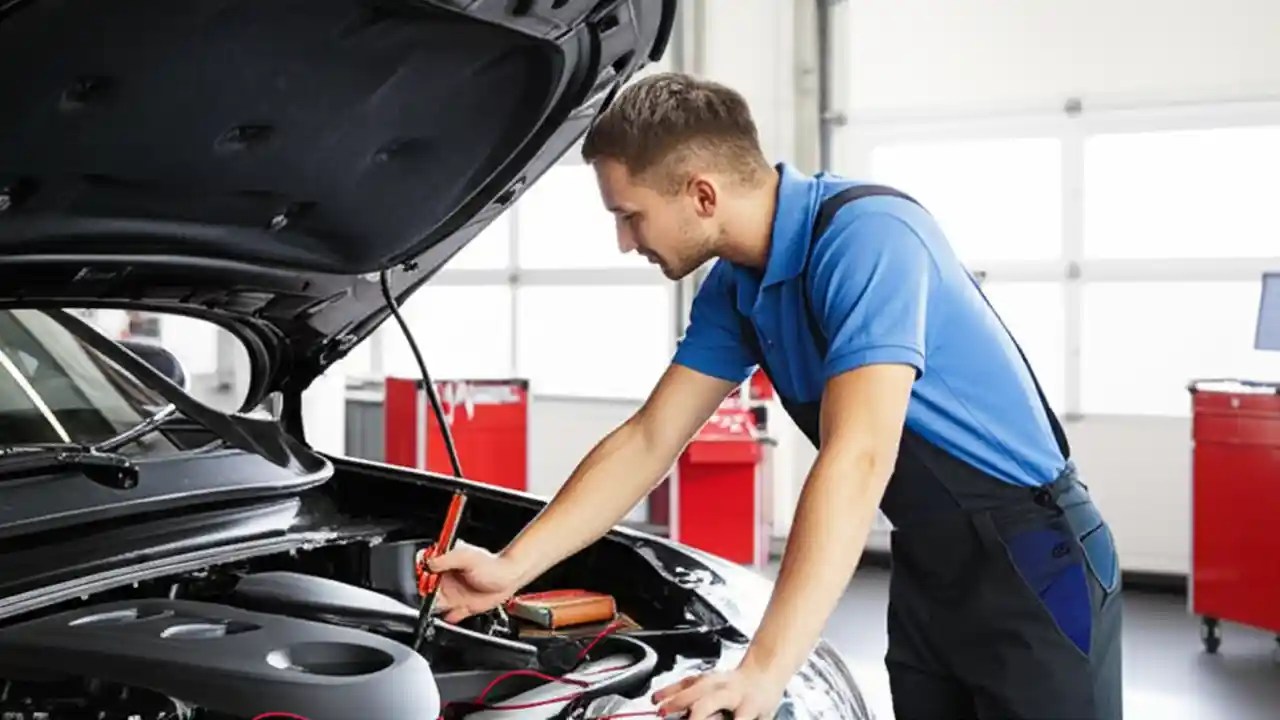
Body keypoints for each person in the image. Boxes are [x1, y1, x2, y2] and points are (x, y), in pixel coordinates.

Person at [426, 72, 1123, 720]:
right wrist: (509, 567)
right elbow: (649, 439)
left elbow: (858, 457)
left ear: (702, 195)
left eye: (630, 215)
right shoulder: (737, 286)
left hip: (1035, 557)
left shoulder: (870, 239)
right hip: (928, 561)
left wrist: (763, 671)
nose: (623, 240)